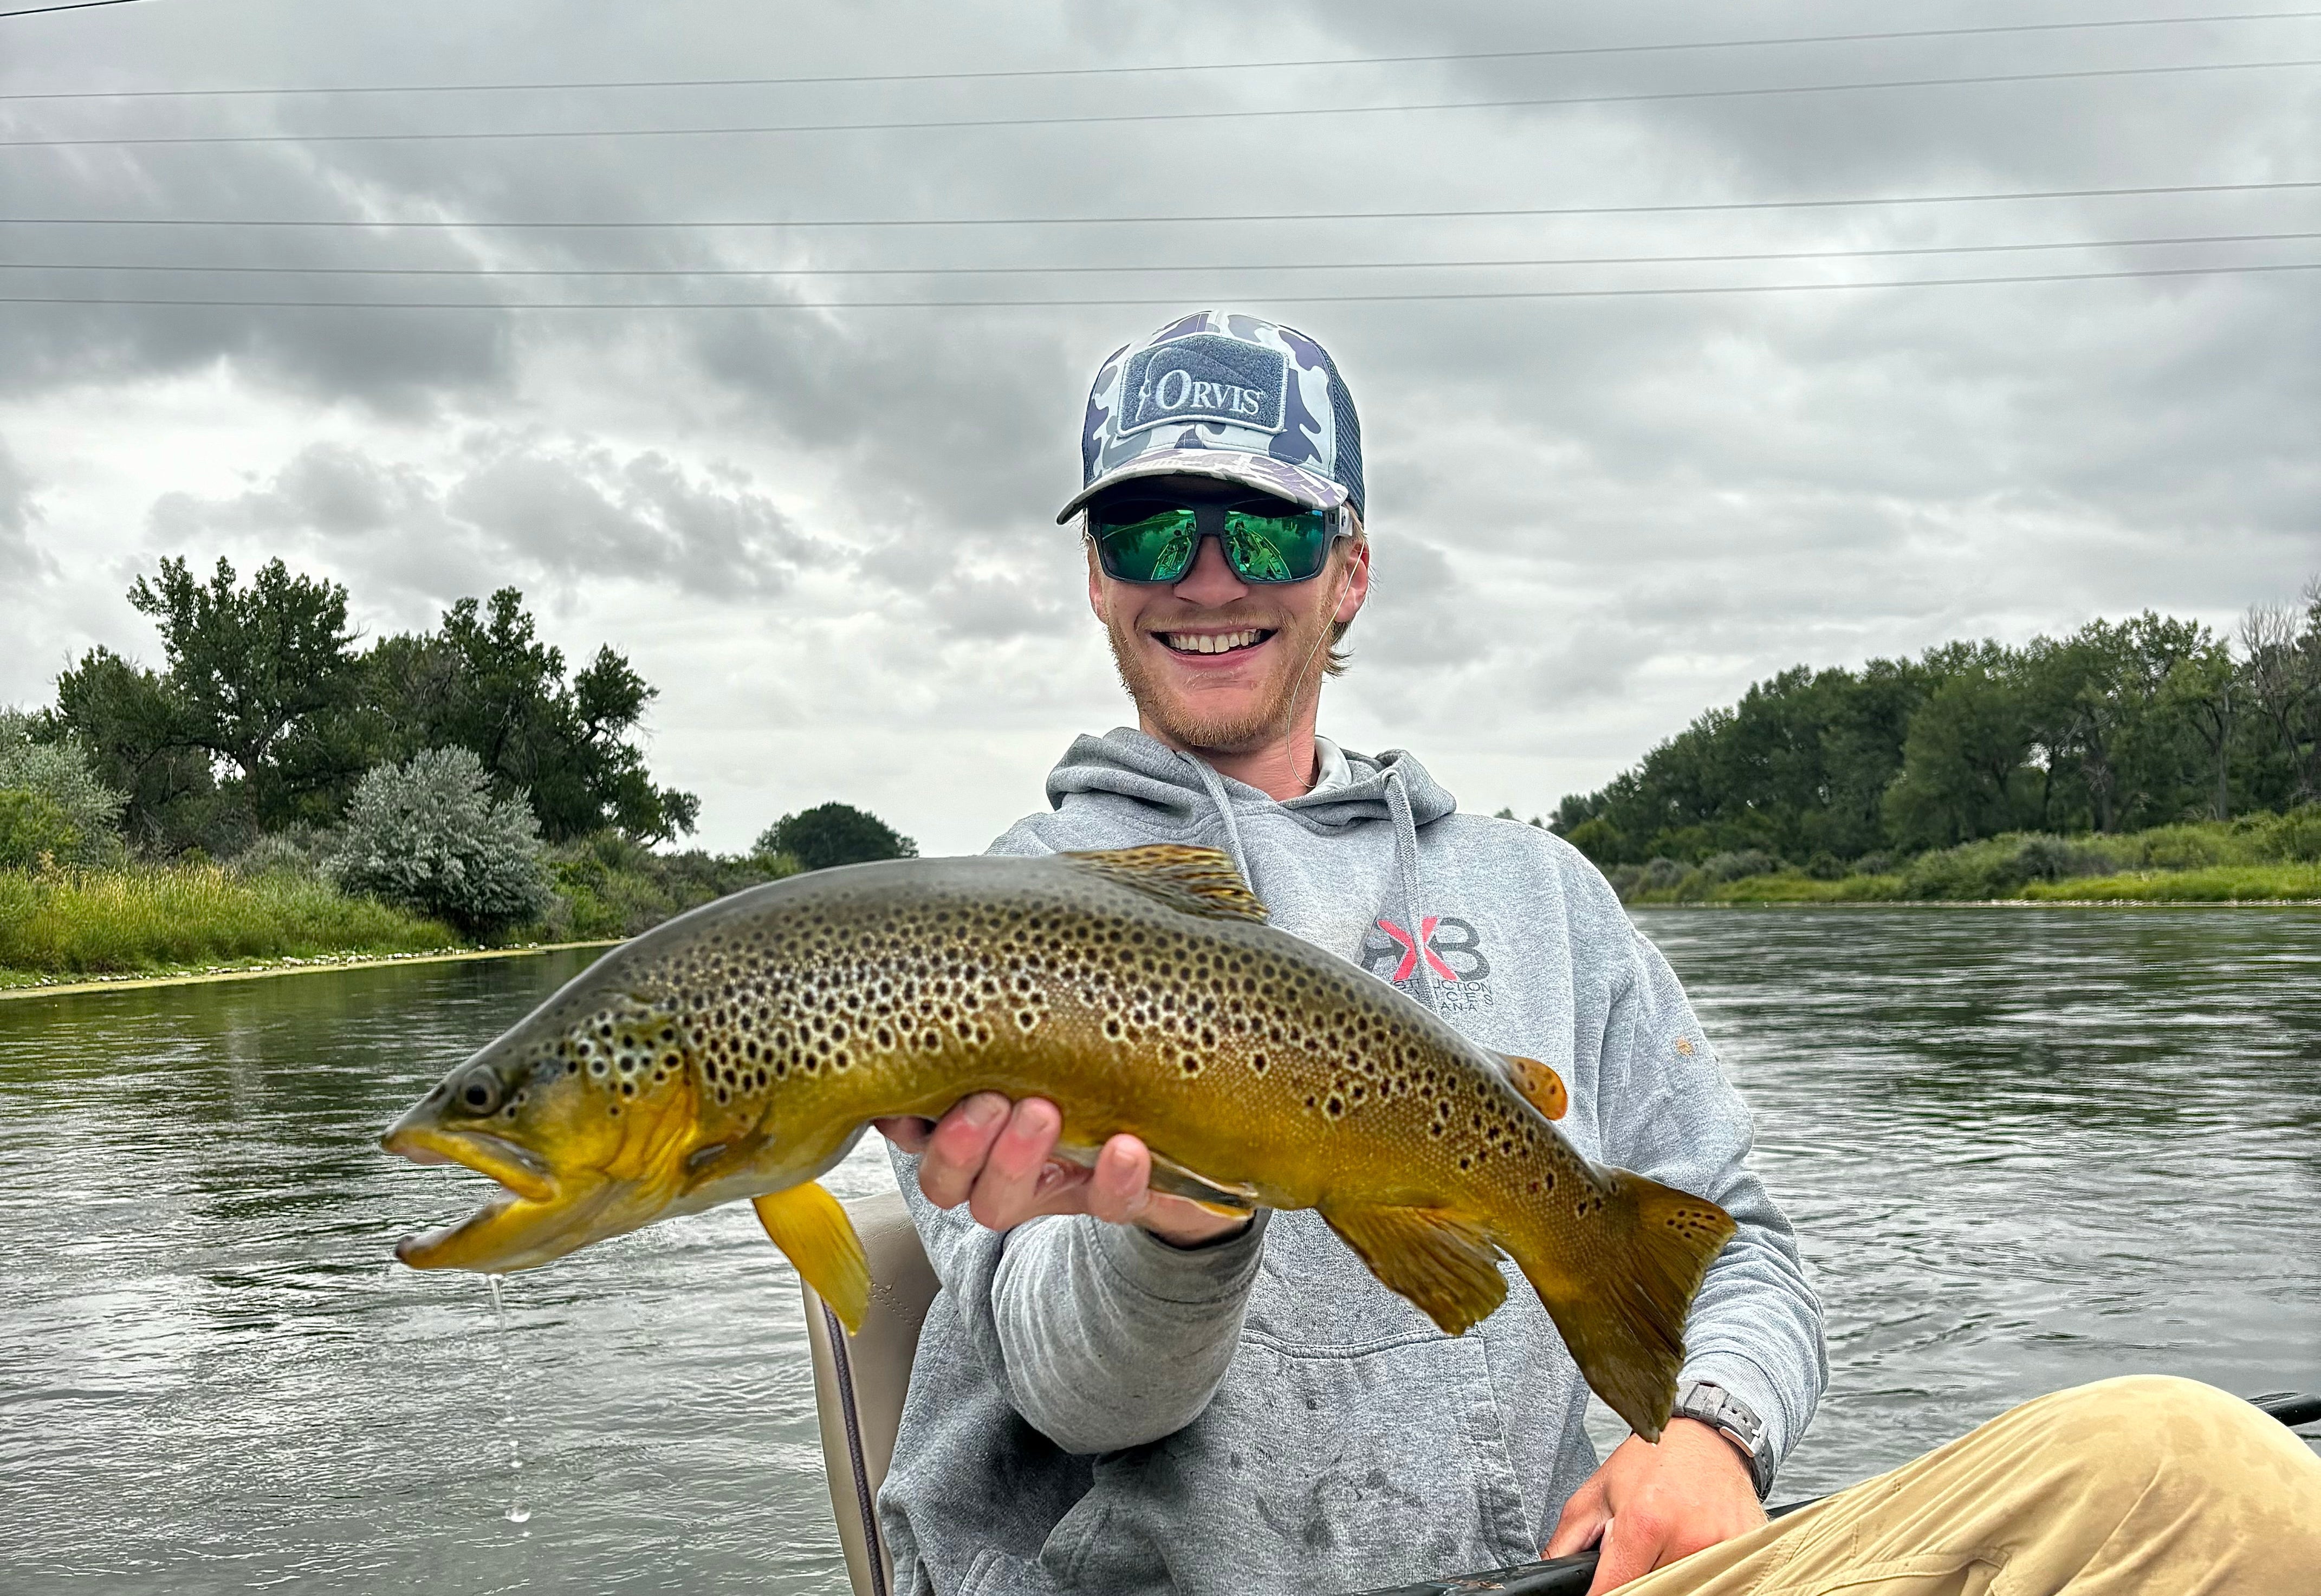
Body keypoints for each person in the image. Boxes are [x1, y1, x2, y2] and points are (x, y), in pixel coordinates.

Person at [871, 312, 2321, 1596]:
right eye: (1145, 532)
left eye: (1260, 531)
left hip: (1569, 1575)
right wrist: (1177, 1223)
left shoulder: (1541, 892)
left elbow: (1736, 1241)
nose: (1201, 577)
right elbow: (1074, 1396)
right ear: (1093, 578)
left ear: (1349, 570)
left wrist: (1710, 1432)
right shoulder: (1000, 925)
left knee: (2203, 1480)